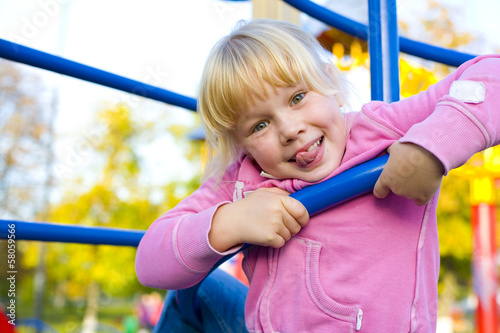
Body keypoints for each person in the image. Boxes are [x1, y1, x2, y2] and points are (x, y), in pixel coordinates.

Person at [135, 19, 500, 332]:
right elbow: (150, 261)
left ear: (330, 82)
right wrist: (228, 223)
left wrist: (431, 147)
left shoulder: (384, 132)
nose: (290, 129)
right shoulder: (245, 182)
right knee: (199, 291)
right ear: (240, 143)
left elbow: (492, 74)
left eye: (297, 98)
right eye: (259, 125)